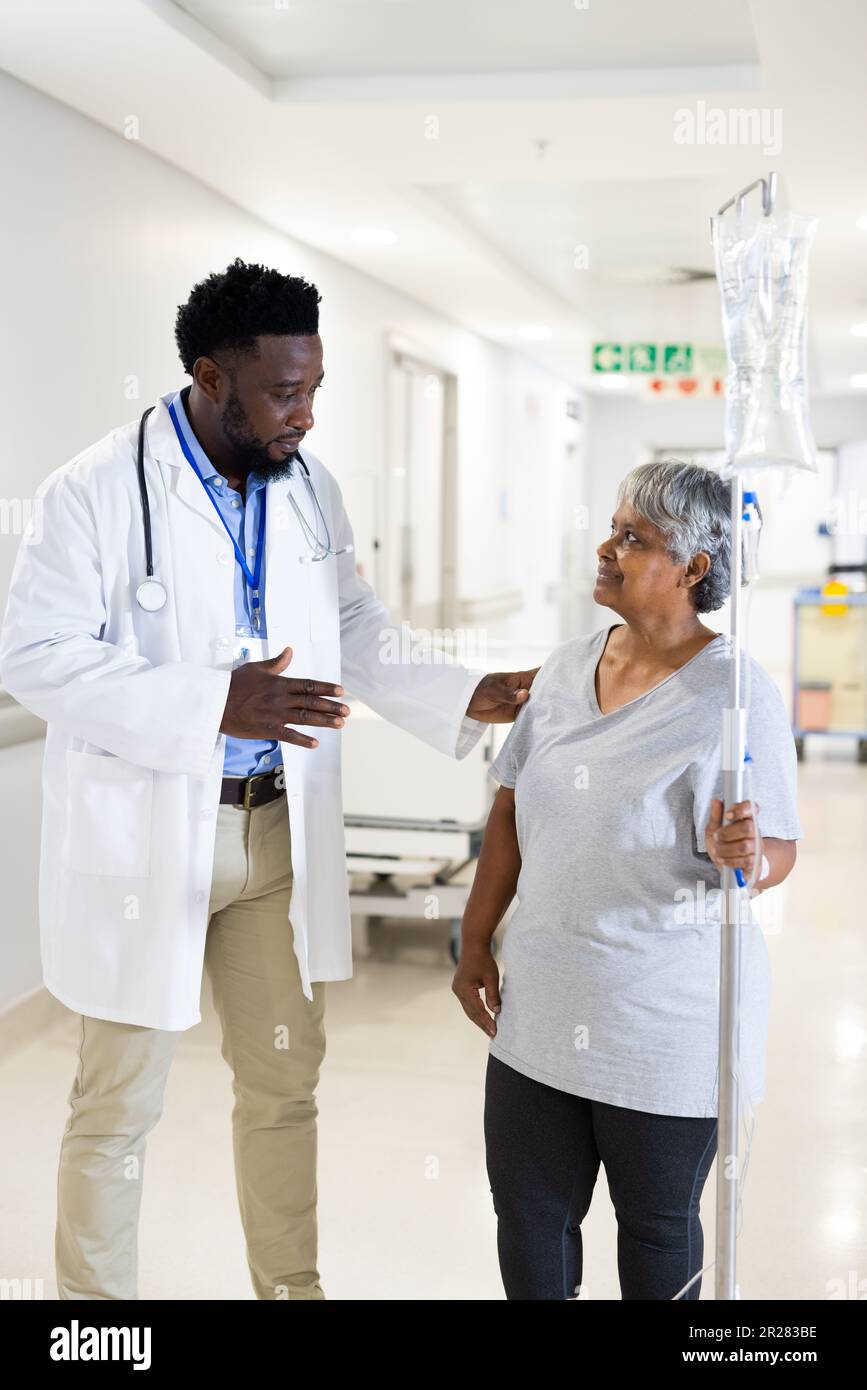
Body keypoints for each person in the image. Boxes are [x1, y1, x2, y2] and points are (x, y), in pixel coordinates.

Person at [0, 258, 538, 1301]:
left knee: (286, 1083)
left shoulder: (310, 491)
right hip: (150, 833)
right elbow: (34, 656)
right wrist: (211, 700)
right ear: (211, 377)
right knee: (116, 1104)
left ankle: (292, 1292)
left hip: (275, 836)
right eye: (285, 392)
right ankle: (93, 1322)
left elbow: (354, 633)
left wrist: (475, 688)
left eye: (316, 386)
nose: (307, 413)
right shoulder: (95, 489)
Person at [452, 459, 802, 1301]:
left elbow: (779, 848)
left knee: (653, 1234)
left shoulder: (734, 691)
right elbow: (506, 812)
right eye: (612, 528)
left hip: (664, 1026)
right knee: (530, 1223)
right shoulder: (567, 667)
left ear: (694, 568)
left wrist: (744, 857)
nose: (606, 548)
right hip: (541, 1008)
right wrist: (472, 941)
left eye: (632, 538)